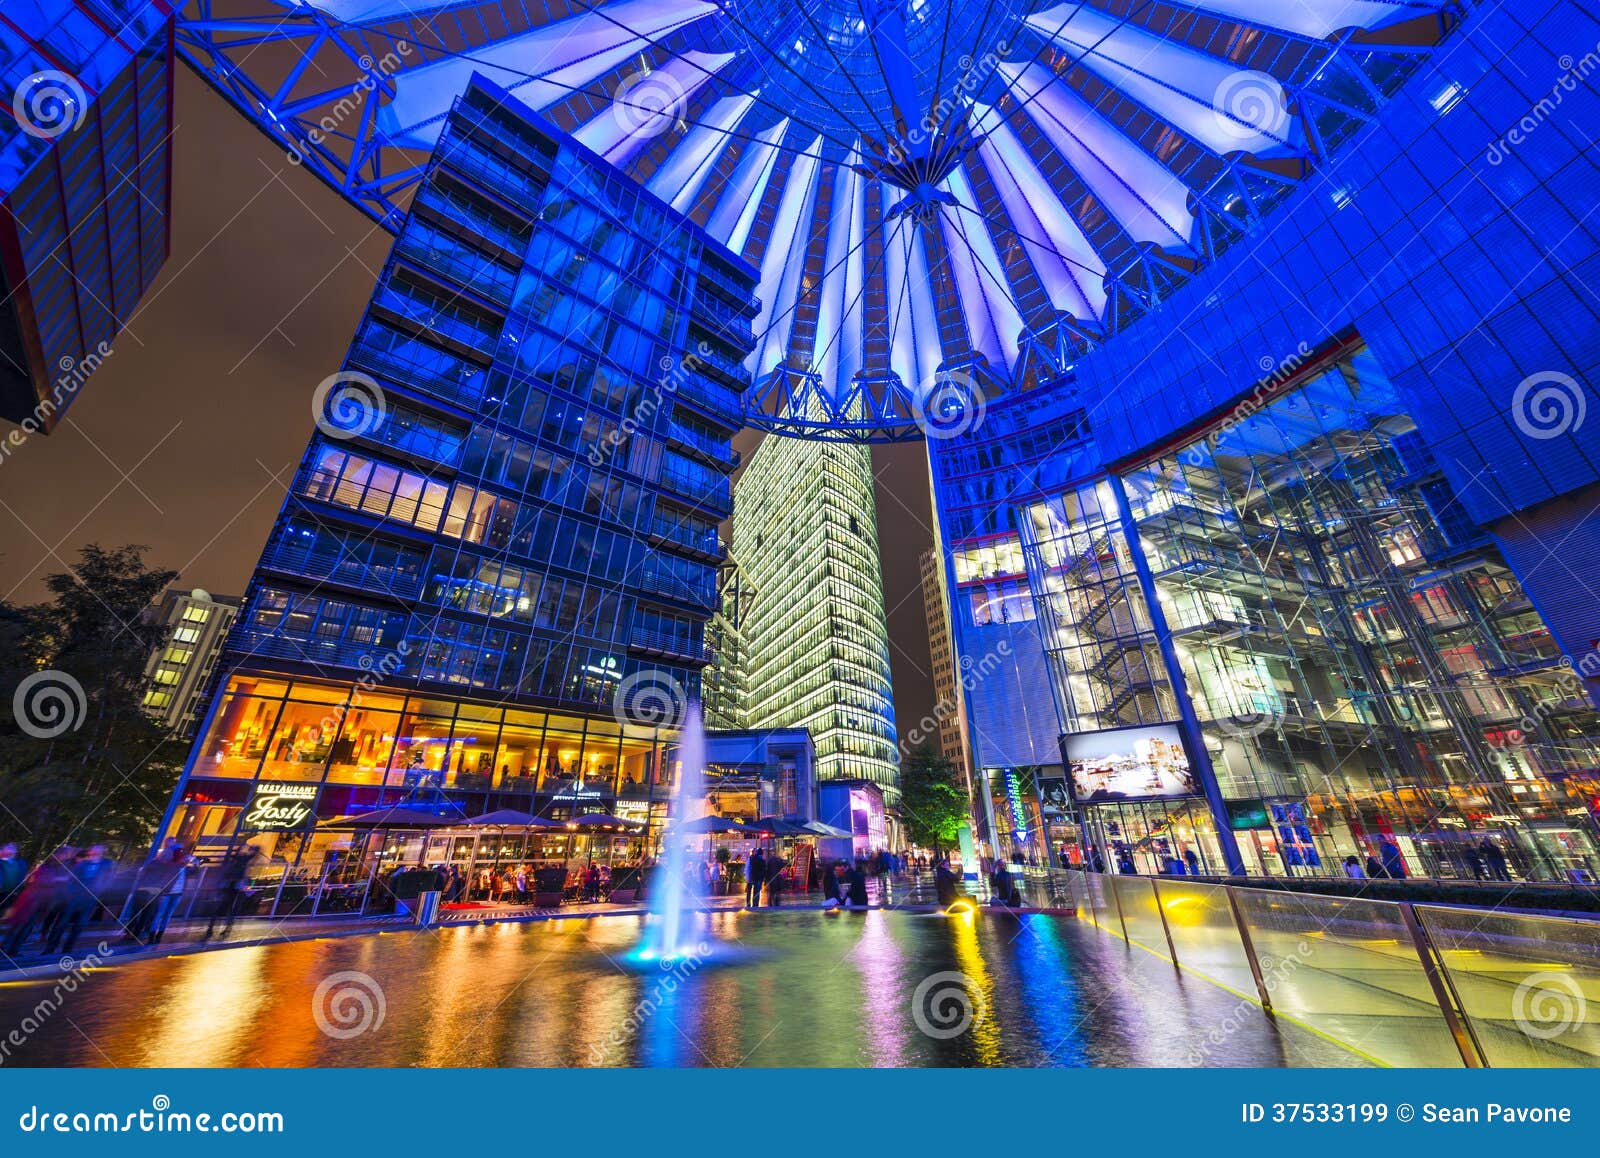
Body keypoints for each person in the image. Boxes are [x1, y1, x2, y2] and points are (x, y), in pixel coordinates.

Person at [2, 848, 73, 955]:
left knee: (27, 928)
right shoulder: (45, 866)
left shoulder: (62, 868)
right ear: (57, 855)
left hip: (42, 903)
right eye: (64, 855)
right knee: (18, 926)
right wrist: (57, 879)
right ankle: (4, 950)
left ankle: (13, 951)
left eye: (66, 856)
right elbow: (38, 880)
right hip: (31, 900)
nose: (65, 857)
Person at [49, 845, 113, 955]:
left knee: (79, 925)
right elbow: (72, 879)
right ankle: (50, 949)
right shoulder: (83, 864)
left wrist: (99, 890)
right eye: (93, 849)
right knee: (62, 923)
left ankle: (67, 950)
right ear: (90, 851)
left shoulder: (107, 864)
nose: (95, 852)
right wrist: (71, 894)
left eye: (98, 850)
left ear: (102, 852)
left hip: (89, 898)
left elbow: (108, 879)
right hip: (75, 897)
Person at [203, 844, 262, 941]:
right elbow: (253, 856)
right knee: (230, 908)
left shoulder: (234, 859)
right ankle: (224, 929)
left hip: (229, 885)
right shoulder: (243, 859)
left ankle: (214, 929)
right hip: (234, 886)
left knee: (222, 908)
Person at [0, 843, 27, 915]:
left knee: (3, 911)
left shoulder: (21, 863)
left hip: (10, 893)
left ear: (16, 851)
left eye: (12, 848)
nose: (8, 848)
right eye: (7, 847)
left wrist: (17, 890)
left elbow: (21, 877)